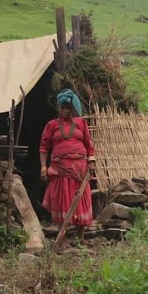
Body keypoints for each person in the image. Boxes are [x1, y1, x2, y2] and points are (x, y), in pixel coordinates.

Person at [39, 89, 96, 247]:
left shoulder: (81, 123)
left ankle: (80, 238)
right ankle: (62, 239)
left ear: (73, 109)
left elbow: (89, 144)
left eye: (68, 108)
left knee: (81, 200)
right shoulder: (51, 125)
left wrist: (91, 161)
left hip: (80, 170)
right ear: (58, 107)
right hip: (60, 169)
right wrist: (43, 167)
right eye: (62, 107)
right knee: (61, 201)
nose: (65, 111)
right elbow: (43, 147)